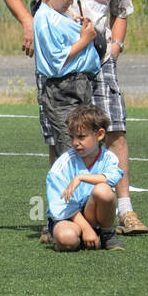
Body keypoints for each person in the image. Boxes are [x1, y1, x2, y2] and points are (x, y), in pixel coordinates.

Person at [2, 0, 147, 235]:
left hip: (98, 61)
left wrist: (115, 46)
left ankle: (124, 211)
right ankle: (61, 214)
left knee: (114, 130)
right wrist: (27, 24)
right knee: (62, 137)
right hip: (59, 66)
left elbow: (122, 12)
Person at [32, 0, 100, 156]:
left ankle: (84, 184)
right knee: (72, 147)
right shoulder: (44, 18)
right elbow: (57, 60)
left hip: (79, 85)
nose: (70, 2)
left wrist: (79, 28)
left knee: (86, 145)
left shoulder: (58, 16)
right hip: (64, 90)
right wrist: (85, 39)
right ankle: (71, 185)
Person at [45, 105, 125, 252]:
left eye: (81, 137)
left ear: (100, 134)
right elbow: (62, 205)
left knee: (104, 190)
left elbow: (113, 177)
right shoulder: (62, 165)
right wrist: (86, 229)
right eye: (72, 137)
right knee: (67, 239)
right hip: (69, 217)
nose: (75, 142)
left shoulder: (109, 158)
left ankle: (107, 234)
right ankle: (71, 235)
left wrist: (81, 177)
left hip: (93, 214)